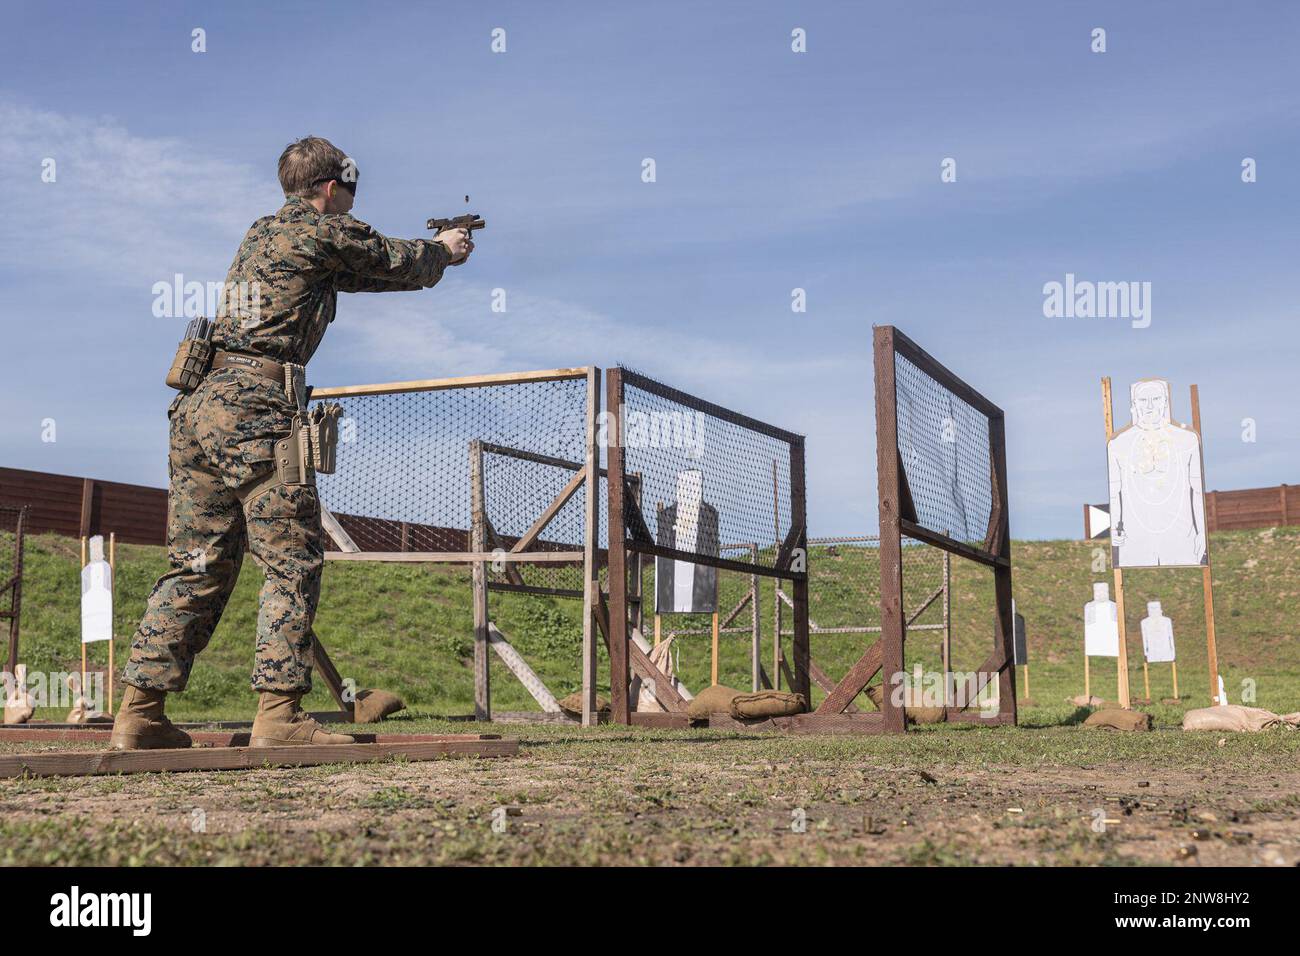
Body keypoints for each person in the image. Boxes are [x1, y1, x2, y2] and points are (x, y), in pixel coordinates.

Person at [109, 137, 473, 750]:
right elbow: (391, 258)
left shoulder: (266, 233)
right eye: (350, 193)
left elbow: (365, 274)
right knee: (291, 556)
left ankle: (139, 715)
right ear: (332, 187)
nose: (352, 204)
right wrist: (443, 251)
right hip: (256, 406)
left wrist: (431, 264)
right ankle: (279, 718)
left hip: (200, 406)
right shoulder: (321, 229)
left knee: (197, 564)